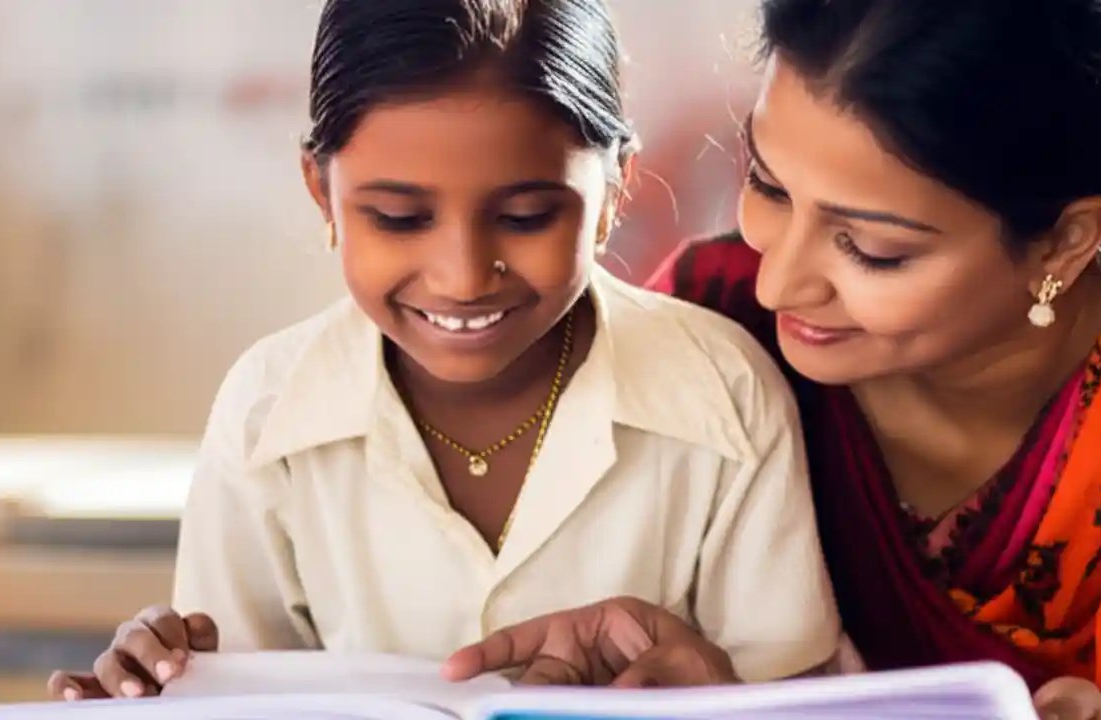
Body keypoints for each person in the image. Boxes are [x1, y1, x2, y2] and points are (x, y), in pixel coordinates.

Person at [45, 0, 840, 702]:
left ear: (613, 194)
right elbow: (239, 697)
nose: (463, 279)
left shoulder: (726, 396)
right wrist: (167, 688)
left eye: (527, 216)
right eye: (397, 218)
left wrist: (709, 691)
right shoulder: (266, 413)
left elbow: (798, 701)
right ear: (322, 194)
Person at [443, 0, 1101, 718]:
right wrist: (721, 688)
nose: (778, 282)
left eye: (872, 250)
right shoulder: (715, 328)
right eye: (766, 186)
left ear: (1066, 239)